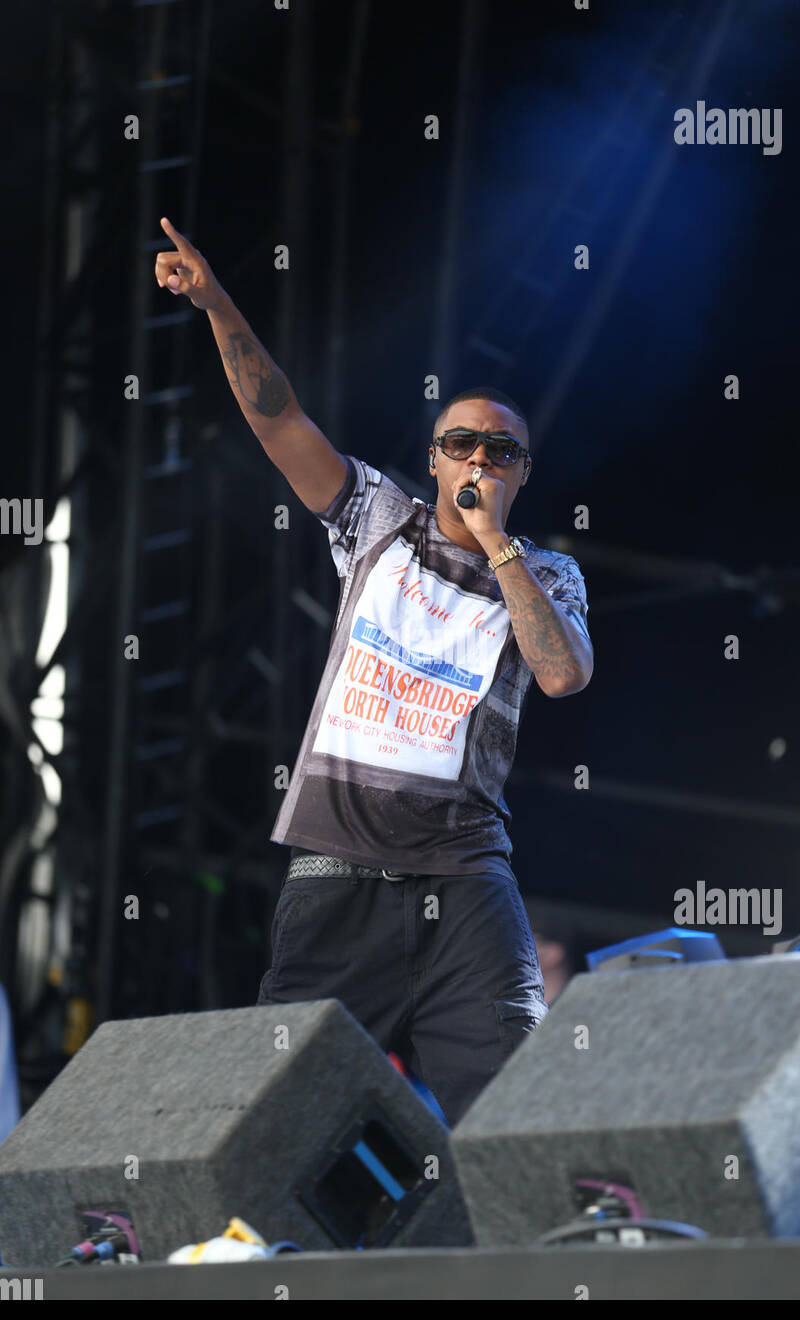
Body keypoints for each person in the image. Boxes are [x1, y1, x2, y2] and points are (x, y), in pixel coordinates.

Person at [154, 217, 593, 1126]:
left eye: (500, 451)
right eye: (461, 442)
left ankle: (534, 1267)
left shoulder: (543, 573)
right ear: (433, 458)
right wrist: (213, 301)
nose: (478, 457)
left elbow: (562, 675)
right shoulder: (377, 520)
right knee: (290, 1112)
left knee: (518, 1104)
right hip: (337, 870)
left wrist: (495, 542)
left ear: (518, 473)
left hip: (467, 875)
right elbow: (279, 417)